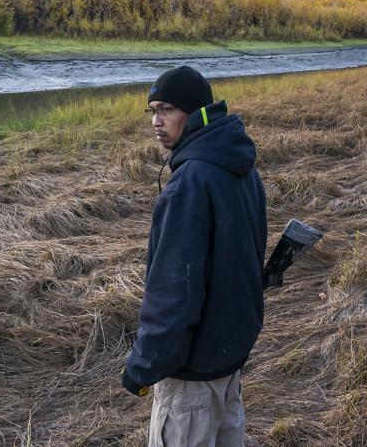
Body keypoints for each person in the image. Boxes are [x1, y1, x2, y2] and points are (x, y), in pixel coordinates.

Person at [122, 66, 267, 447]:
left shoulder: (190, 182)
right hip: (227, 356)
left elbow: (174, 292)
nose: (156, 121)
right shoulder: (239, 166)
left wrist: (142, 367)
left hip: (192, 374)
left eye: (166, 109)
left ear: (197, 112)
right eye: (152, 110)